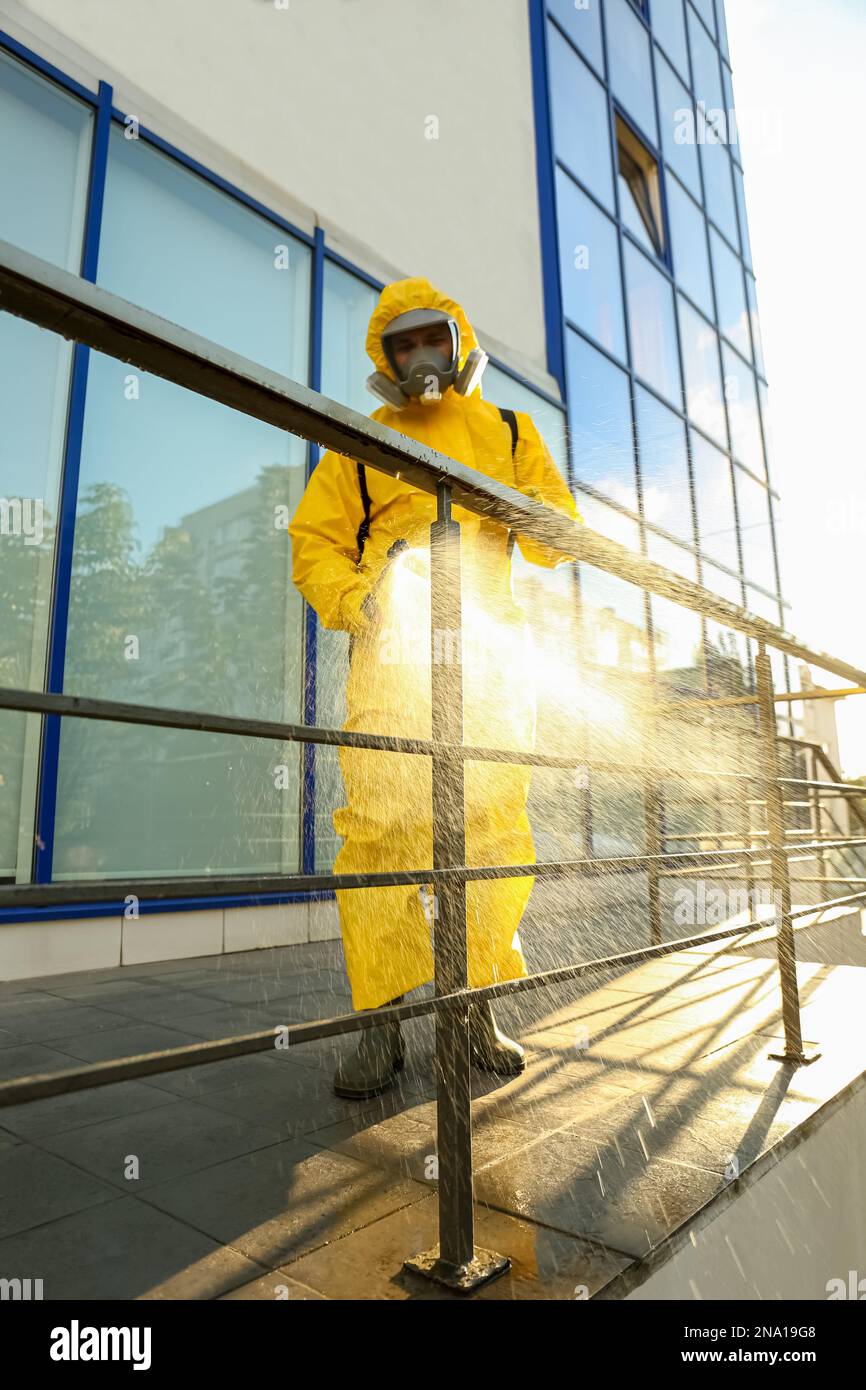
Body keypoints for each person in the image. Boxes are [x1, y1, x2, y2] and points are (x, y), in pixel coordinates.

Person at [289, 277, 581, 1099]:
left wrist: (523, 514)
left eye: (431, 341)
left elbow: (558, 534)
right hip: (391, 663)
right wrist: (363, 603)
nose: (420, 358)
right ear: (386, 358)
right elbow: (314, 543)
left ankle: (474, 1010)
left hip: (487, 663)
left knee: (488, 831)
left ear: (459, 344)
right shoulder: (359, 441)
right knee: (379, 835)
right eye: (402, 346)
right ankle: (380, 1025)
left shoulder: (511, 429)